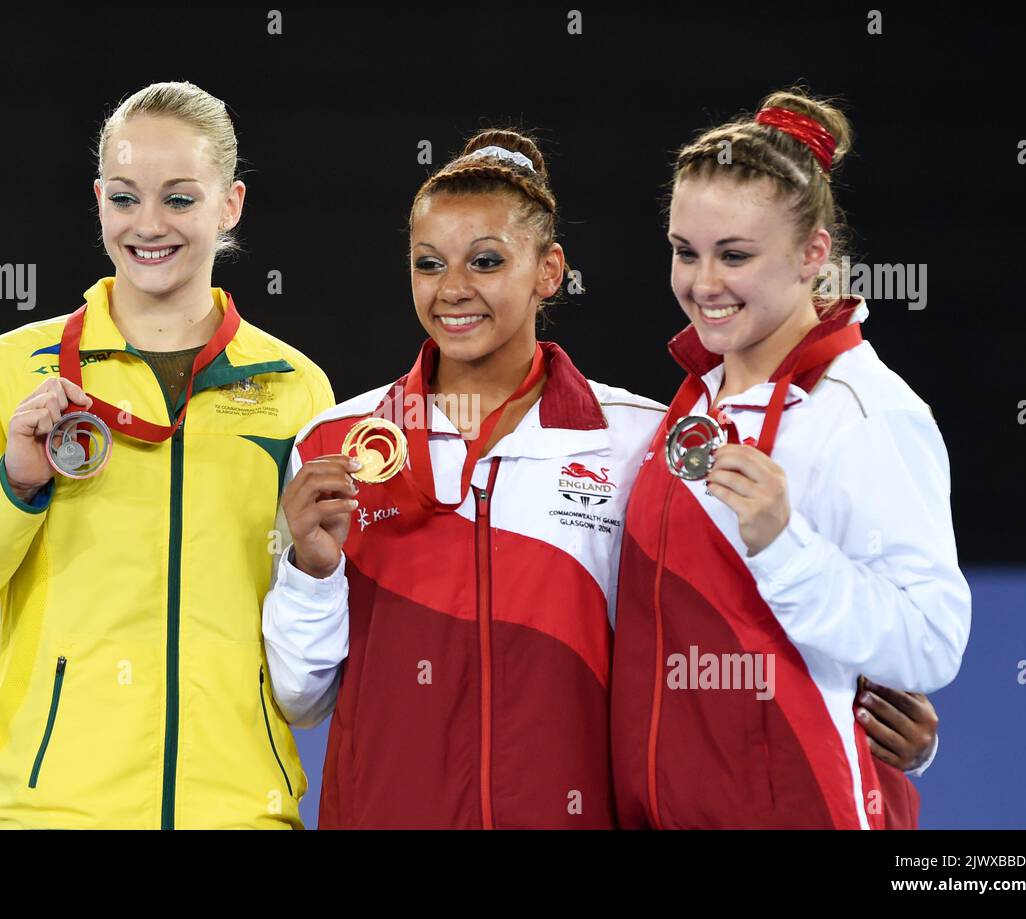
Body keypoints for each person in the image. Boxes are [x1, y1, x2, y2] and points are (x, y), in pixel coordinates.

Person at [260, 129, 942, 829]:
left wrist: (884, 737)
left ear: (549, 270)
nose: (453, 289)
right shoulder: (337, 444)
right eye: (428, 263)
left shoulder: (643, 441)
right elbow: (301, 698)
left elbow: (722, 635)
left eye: (487, 261)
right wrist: (310, 571)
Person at [0, 81, 333, 829]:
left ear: (232, 205)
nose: (148, 224)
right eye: (125, 198)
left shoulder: (295, 388)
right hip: (54, 812)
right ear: (98, 201)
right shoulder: (10, 369)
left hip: (240, 812)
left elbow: (318, 633)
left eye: (180, 199)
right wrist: (15, 484)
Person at [610, 89, 970, 829]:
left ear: (814, 255)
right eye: (686, 251)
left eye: (734, 255)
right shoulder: (690, 403)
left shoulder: (865, 411)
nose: (703, 284)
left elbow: (930, 640)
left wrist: (785, 544)